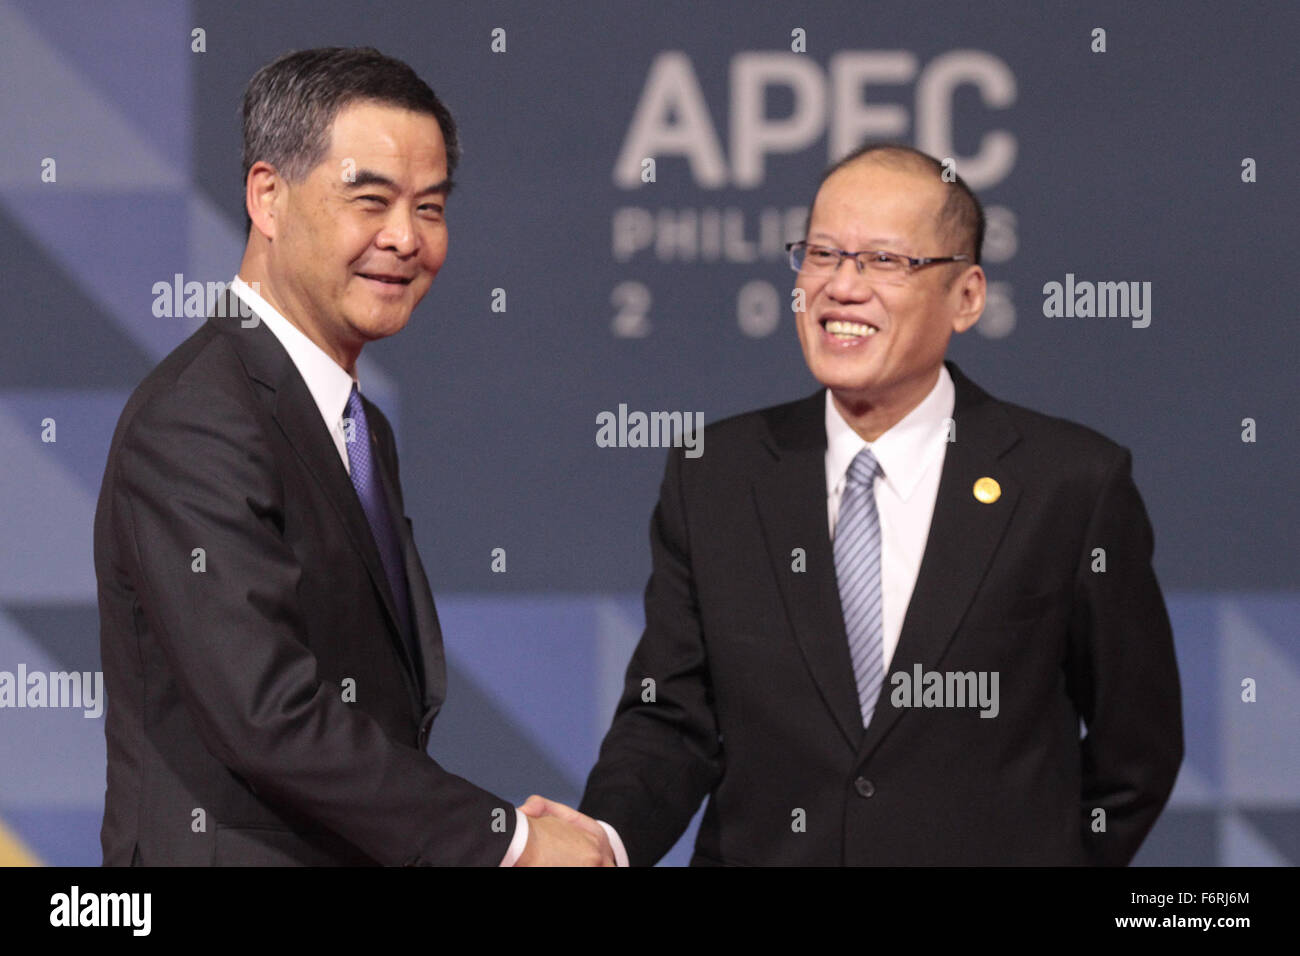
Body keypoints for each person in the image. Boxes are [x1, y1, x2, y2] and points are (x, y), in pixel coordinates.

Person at [539, 143, 1183, 865]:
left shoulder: (1070, 484)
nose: (841, 287)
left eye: (884, 261)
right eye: (820, 255)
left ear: (967, 296)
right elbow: (671, 719)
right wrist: (602, 841)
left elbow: (1138, 752)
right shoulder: (715, 475)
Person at [94, 46, 613, 866]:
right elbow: (270, 717)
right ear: (268, 197)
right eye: (370, 200)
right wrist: (510, 843)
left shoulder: (355, 423)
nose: (405, 238)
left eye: (431, 208)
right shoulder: (198, 419)